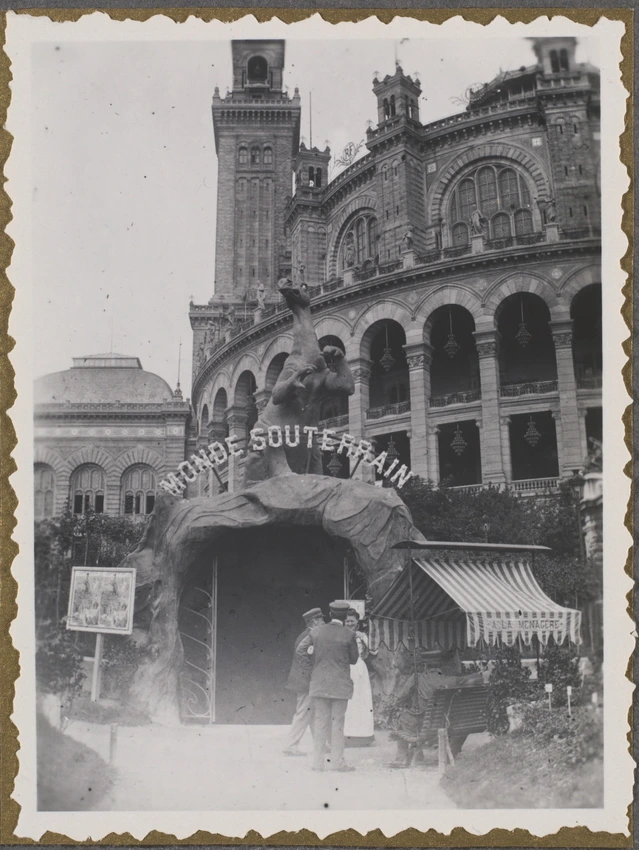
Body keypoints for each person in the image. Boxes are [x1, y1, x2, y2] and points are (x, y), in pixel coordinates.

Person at [391, 649, 482, 767]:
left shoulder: (417, 677)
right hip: (447, 722)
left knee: (401, 717)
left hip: (423, 724)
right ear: (440, 664)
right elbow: (474, 678)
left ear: (425, 664)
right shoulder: (452, 679)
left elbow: (401, 697)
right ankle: (447, 755)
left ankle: (402, 756)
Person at [296, 599, 358, 772]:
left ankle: (317, 763)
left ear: (330, 614)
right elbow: (354, 659)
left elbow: (301, 650)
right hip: (340, 685)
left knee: (320, 722)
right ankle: (338, 762)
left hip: (319, 684)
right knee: (337, 724)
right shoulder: (349, 634)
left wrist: (311, 669)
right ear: (345, 616)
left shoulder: (316, 632)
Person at [283, 607, 325, 756]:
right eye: (321, 619)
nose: (323, 622)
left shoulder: (305, 635)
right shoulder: (310, 637)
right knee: (303, 713)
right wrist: (312, 674)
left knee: (311, 712)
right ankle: (290, 745)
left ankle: (321, 744)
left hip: (303, 680)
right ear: (314, 621)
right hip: (305, 682)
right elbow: (305, 658)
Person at [343, 609, 375, 745]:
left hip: (360, 670)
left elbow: (375, 649)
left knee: (361, 701)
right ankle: (346, 735)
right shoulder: (341, 634)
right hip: (345, 668)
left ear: (357, 623)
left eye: (352, 621)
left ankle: (363, 736)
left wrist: (364, 637)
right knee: (348, 703)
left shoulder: (361, 635)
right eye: (347, 621)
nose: (350, 623)